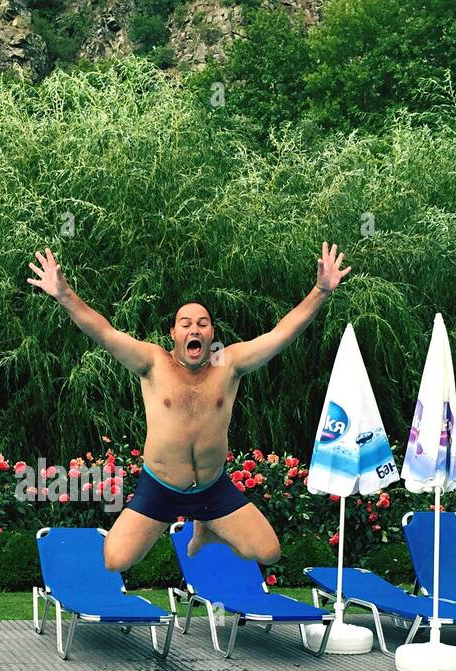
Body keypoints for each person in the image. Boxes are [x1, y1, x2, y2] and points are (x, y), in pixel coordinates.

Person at [26, 243, 351, 570]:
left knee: (268, 553)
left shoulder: (229, 363)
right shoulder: (153, 362)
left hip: (212, 488)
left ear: (212, 334)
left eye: (202, 323)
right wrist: (64, 293)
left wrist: (321, 291)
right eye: (185, 323)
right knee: (115, 561)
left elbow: (281, 334)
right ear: (173, 333)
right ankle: (192, 524)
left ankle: (208, 526)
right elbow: (106, 333)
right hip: (161, 488)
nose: (194, 328)